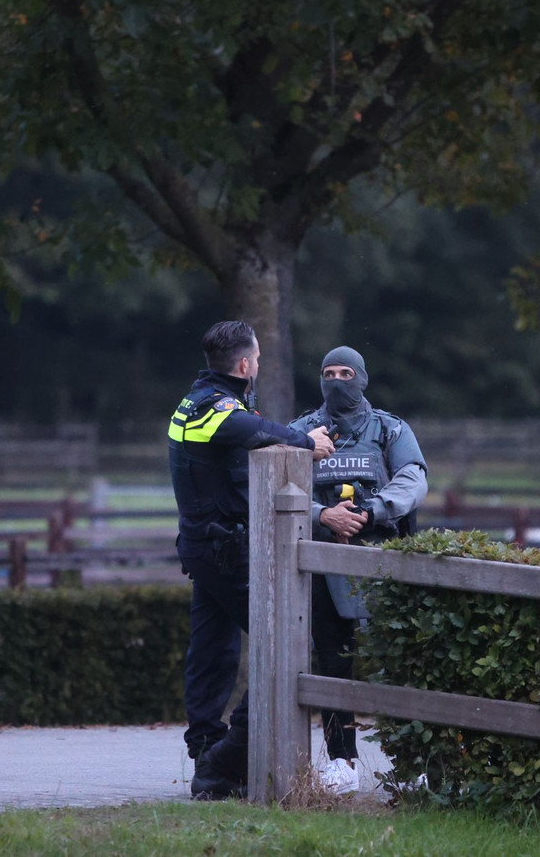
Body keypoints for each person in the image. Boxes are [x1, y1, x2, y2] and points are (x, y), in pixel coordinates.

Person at [169, 320, 335, 800]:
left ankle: (206, 754)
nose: (259, 366)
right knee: (284, 643)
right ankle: (224, 762)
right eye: (258, 359)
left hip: (206, 548)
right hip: (221, 552)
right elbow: (253, 429)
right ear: (244, 365)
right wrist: (307, 443)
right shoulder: (213, 408)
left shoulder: (193, 399)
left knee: (213, 653)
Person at [288, 346, 428, 795]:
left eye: (346, 372)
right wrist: (321, 514)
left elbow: (413, 478)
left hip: (385, 564)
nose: (336, 380)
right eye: (328, 373)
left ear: (363, 378)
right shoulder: (300, 432)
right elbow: (274, 482)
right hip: (322, 567)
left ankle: (411, 764)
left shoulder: (390, 428)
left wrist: (369, 512)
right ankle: (342, 761)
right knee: (332, 660)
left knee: (399, 661)